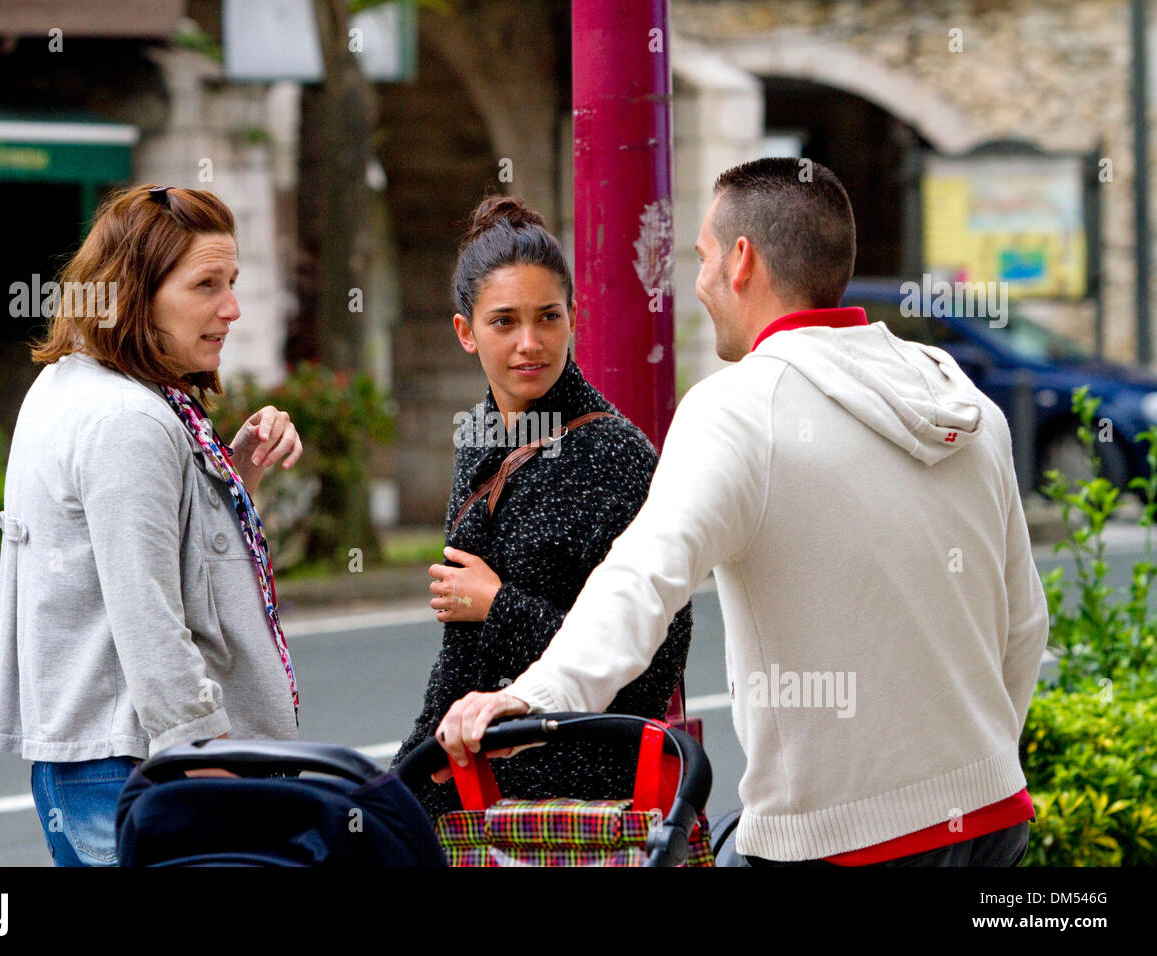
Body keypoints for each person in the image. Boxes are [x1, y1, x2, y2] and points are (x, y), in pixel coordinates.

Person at [434, 158, 1048, 867]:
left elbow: (644, 579)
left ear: (741, 261)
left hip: (841, 842)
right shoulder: (961, 396)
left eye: (701, 258)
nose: (697, 284)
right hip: (994, 817)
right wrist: (980, 766)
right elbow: (1024, 623)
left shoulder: (738, 408)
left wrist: (532, 697)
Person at [0, 185, 304, 866]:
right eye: (205, 285)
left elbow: (153, 552)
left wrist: (232, 471)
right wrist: (205, 755)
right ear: (135, 293)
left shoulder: (72, 383)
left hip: (97, 756)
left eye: (233, 282)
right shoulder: (128, 420)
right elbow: (146, 609)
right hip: (142, 761)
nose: (231, 308)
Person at [390, 195, 693, 820]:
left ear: (574, 319)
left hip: (576, 798)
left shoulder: (614, 454)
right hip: (476, 782)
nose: (530, 343)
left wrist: (497, 606)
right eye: (504, 322)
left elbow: (654, 653)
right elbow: (460, 660)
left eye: (548, 318)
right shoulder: (478, 434)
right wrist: (400, 781)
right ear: (465, 332)